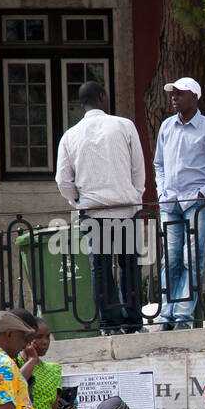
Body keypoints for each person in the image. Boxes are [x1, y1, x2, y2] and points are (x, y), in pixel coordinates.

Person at [55, 80, 146, 334]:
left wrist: (77, 200)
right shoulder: (124, 125)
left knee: (101, 267)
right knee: (130, 265)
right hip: (126, 209)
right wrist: (135, 196)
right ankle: (133, 321)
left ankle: (108, 323)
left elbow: (62, 180)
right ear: (103, 97)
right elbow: (138, 169)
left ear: (81, 104)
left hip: (93, 212)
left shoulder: (69, 136)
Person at [153, 76, 205, 330]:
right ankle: (168, 313)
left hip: (195, 204)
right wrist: (161, 191)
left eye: (180, 93)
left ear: (195, 97)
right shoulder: (166, 126)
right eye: (173, 93)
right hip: (170, 203)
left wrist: (203, 193)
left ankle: (184, 315)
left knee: (191, 259)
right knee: (171, 259)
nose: (174, 97)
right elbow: (159, 164)